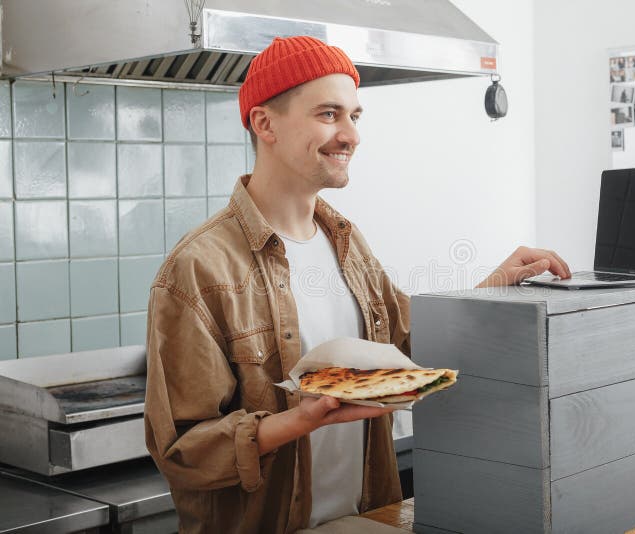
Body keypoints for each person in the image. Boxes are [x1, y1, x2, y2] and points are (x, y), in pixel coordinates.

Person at [144, 36, 571, 534]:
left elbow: (406, 344)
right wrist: (300, 420)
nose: (351, 135)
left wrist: (495, 284)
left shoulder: (344, 240)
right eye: (329, 114)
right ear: (265, 124)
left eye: (355, 116)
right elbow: (182, 454)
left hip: (364, 519)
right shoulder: (198, 270)